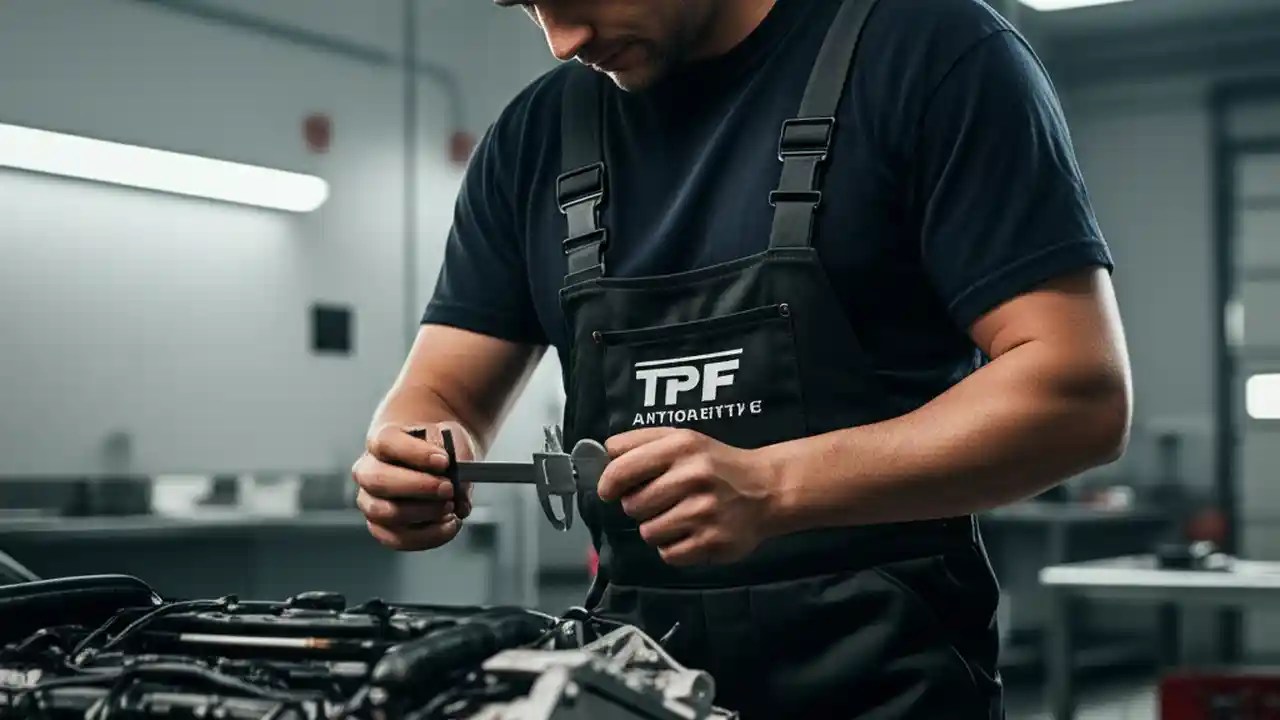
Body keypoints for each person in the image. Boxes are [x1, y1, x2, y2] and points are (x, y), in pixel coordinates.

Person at [351, 0, 1133, 716]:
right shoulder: (533, 139)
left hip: (889, 687)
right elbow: (439, 396)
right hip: (635, 689)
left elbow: (1078, 394)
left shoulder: (931, 52)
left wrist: (773, 486)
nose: (561, 39)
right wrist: (411, 457)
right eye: (525, 5)